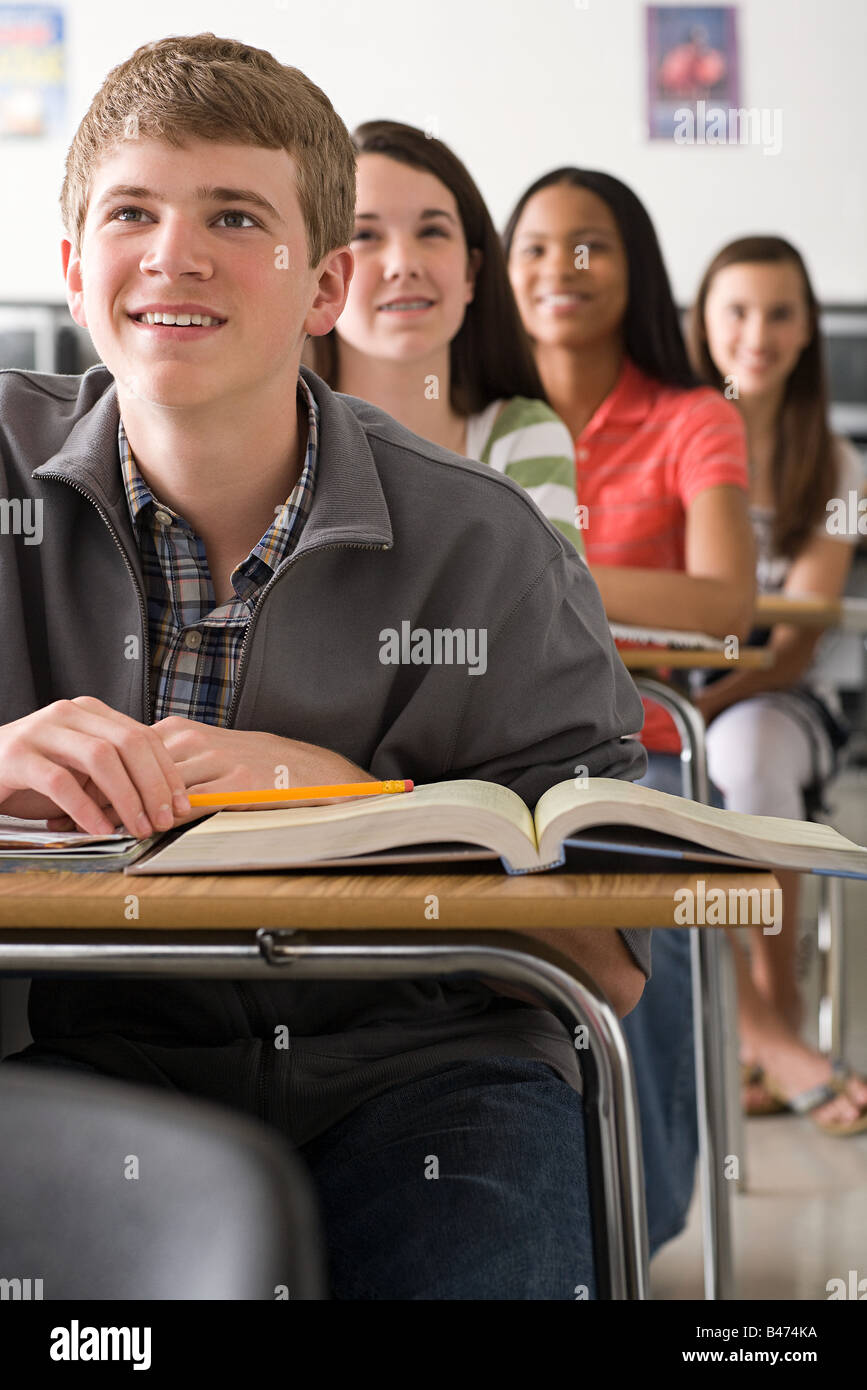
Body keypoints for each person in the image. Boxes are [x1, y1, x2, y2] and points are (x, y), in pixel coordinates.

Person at [0, 34, 650, 1300]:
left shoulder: (490, 543)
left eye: (235, 216)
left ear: (324, 285)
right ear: (76, 265)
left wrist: (356, 805)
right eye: (132, 211)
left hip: (430, 1071)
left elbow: (615, 955)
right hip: (88, 1053)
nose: (174, 255)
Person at [504, 167, 755, 1251]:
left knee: (630, 986)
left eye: (588, 244)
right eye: (534, 246)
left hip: (636, 759)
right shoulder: (485, 416)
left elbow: (724, 603)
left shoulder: (693, 415)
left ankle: (636, 1243)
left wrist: (531, 575)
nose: (559, 268)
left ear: (634, 263)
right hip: (484, 767)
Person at [688, 234, 867, 1135]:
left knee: (741, 750)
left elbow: (798, 635)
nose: (755, 332)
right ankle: (756, 1036)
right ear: (703, 324)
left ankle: (775, 1009)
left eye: (779, 313)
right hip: (660, 693)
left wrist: (698, 709)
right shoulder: (673, 433)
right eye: (736, 310)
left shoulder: (838, 468)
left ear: (805, 335)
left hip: (775, 702)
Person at [304, 120, 583, 552]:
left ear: (472, 272)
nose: (404, 264)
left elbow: (547, 614)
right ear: (324, 275)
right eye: (365, 235)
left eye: (432, 231)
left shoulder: (525, 436)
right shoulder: (273, 435)